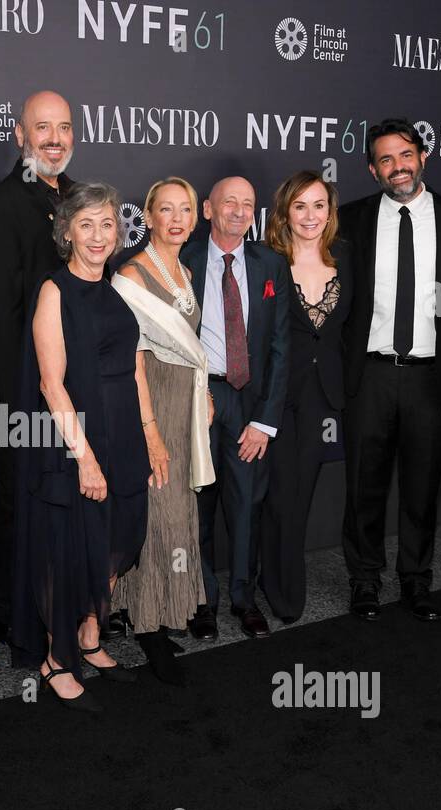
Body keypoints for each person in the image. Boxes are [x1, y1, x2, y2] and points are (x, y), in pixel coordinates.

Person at [10, 181, 149, 710]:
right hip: (76, 440)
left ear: (118, 233)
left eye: (107, 224)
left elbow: (132, 366)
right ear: (66, 231)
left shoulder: (114, 288)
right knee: (69, 549)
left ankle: (91, 639)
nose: (97, 235)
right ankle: (56, 659)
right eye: (85, 224)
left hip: (123, 436)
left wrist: (149, 437)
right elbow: (52, 383)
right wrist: (84, 456)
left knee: (115, 537)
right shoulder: (55, 290)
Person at [338, 119, 441, 624]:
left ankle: (417, 579)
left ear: (423, 156)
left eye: (405, 155)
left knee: (422, 486)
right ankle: (365, 579)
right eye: (385, 160)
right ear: (372, 168)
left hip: (432, 377)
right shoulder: (350, 220)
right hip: (370, 374)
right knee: (364, 485)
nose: (398, 167)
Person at [0, 89, 76, 647]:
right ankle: (15, 611)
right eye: (42, 128)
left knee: (78, 492)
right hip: (26, 392)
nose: (53, 138)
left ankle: (73, 602)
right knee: (23, 499)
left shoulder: (85, 201)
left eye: (63, 127)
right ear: (20, 134)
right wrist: (15, 402)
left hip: (82, 386)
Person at [111, 178, 216, 685]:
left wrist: (207, 395)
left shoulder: (185, 270)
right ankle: (148, 626)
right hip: (149, 406)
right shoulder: (132, 274)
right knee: (157, 512)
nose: (177, 219)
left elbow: (193, 352)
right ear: (148, 216)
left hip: (185, 406)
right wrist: (149, 430)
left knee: (177, 510)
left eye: (186, 210)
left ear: (196, 217)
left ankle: (161, 613)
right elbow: (130, 359)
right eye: (166, 210)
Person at [180, 177, 291, 640]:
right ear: (208, 209)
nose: (240, 211)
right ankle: (202, 600)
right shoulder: (182, 259)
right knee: (198, 503)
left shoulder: (271, 265)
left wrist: (265, 422)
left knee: (247, 504)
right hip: (200, 398)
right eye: (230, 202)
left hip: (250, 401)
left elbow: (280, 346)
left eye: (248, 203)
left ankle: (244, 600)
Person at [260, 172, 352, 623]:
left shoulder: (346, 259)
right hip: (276, 396)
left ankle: (284, 581)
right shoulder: (268, 261)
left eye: (319, 205)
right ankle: (277, 584)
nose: (311, 215)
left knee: (301, 494)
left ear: (330, 212)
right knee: (279, 494)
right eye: (300, 206)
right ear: (285, 212)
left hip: (323, 397)